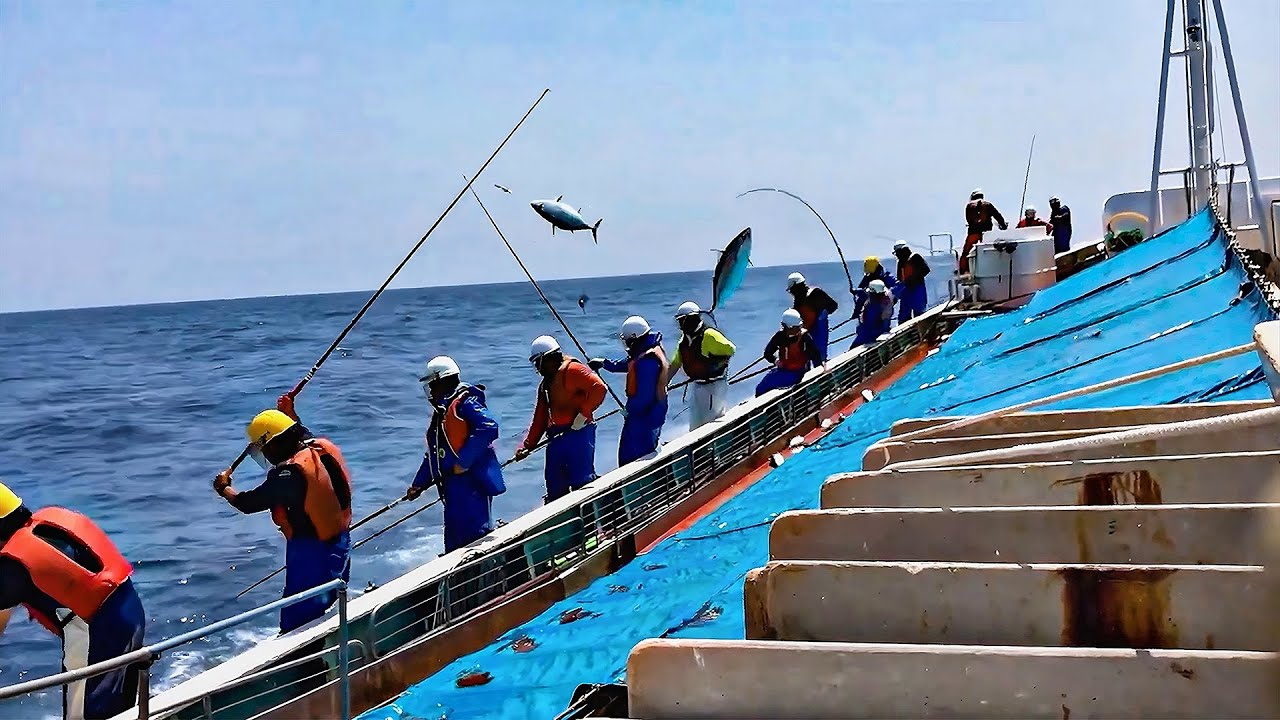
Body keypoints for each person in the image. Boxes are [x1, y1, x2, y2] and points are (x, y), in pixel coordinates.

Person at [0, 481, 147, 720]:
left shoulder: (13, 568)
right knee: (121, 704)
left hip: (94, 633)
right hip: (129, 612)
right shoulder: (47, 525)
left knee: (86, 715)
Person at [214, 405, 352, 633]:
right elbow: (300, 431)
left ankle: (307, 662)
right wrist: (288, 413)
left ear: (275, 443)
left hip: (312, 554)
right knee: (331, 604)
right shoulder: (319, 447)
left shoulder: (289, 474)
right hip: (341, 542)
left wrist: (224, 488)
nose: (266, 455)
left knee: (297, 621)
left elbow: (247, 503)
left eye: (264, 449)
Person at [405, 356, 505, 553]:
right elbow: (435, 454)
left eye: (433, 385)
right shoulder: (441, 413)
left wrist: (464, 461)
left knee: (476, 538)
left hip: (471, 483)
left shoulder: (465, 402)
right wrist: (419, 484)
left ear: (444, 380)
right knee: (453, 542)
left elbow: (489, 427)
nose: (431, 392)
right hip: (451, 486)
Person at [515, 336, 608, 503]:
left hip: (578, 434)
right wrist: (527, 445)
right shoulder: (545, 385)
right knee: (555, 486)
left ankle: (594, 525)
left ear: (549, 358)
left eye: (539, 362)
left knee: (582, 482)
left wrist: (583, 414)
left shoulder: (573, 370)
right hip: (556, 438)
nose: (537, 367)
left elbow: (599, 388)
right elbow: (540, 418)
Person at [590, 316, 669, 465]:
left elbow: (644, 397)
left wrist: (629, 410)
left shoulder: (648, 362)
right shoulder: (648, 351)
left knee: (631, 460)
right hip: (650, 415)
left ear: (634, 339)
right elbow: (629, 364)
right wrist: (605, 364)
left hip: (644, 419)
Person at [669, 302, 736, 430]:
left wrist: (715, 363)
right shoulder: (684, 341)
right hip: (698, 385)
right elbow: (676, 363)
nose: (680, 325)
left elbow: (731, 350)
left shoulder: (709, 335)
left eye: (682, 320)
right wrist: (663, 385)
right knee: (695, 425)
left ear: (691, 319)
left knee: (712, 423)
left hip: (714, 386)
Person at [755, 309, 823, 396]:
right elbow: (768, 353)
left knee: (792, 391)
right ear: (787, 327)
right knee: (761, 389)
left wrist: (819, 371)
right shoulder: (779, 337)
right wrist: (775, 361)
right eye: (796, 327)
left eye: (799, 326)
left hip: (799, 372)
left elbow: (815, 355)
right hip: (783, 370)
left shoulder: (804, 337)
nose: (798, 329)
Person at [786, 272, 839, 362]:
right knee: (806, 355)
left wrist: (823, 314)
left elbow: (833, 305)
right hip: (806, 330)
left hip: (819, 329)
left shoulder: (816, 293)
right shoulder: (798, 301)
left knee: (819, 355)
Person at [960, 189, 1008, 274]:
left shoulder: (969, 206)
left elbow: (968, 219)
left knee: (966, 253)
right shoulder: (988, 205)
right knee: (988, 251)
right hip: (986, 235)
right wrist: (1003, 226)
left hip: (973, 233)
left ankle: (964, 271)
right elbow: (998, 216)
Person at [892, 241, 931, 323]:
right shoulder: (900, 262)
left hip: (917, 288)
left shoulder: (915, 257)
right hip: (906, 290)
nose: (897, 255)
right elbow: (900, 277)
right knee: (904, 316)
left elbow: (926, 270)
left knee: (919, 313)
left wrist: (913, 279)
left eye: (897, 253)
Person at [852, 279, 895, 348]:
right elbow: (863, 293)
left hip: (872, 333)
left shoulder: (880, 306)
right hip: (867, 330)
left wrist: (885, 332)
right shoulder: (880, 298)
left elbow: (884, 321)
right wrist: (856, 291)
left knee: (854, 347)